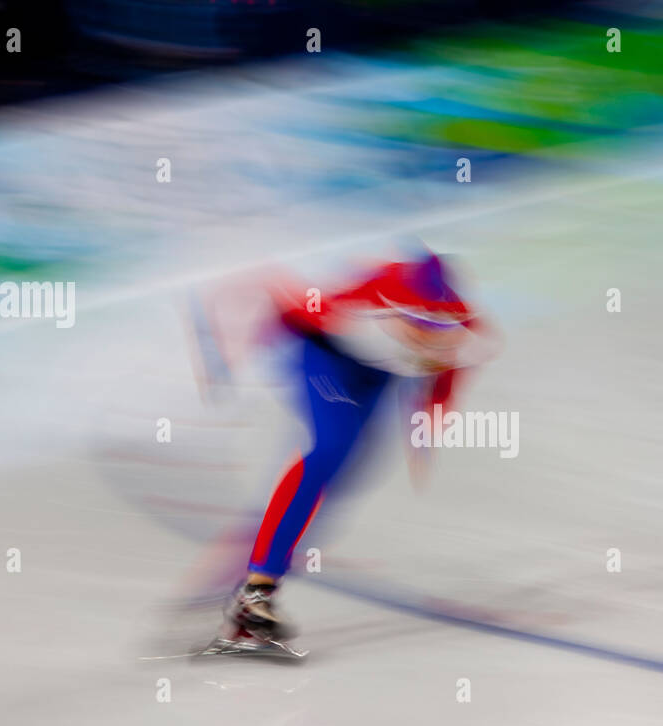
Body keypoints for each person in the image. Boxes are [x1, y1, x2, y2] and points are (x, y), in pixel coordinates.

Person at [206, 250, 494, 658]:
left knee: (348, 472)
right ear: (398, 312)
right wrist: (229, 346)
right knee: (331, 446)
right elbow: (286, 301)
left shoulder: (467, 336)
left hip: (378, 373)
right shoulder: (358, 307)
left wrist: (427, 423)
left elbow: (447, 379)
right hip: (325, 355)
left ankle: (268, 565)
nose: (431, 336)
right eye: (420, 324)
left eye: (440, 326)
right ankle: (256, 592)